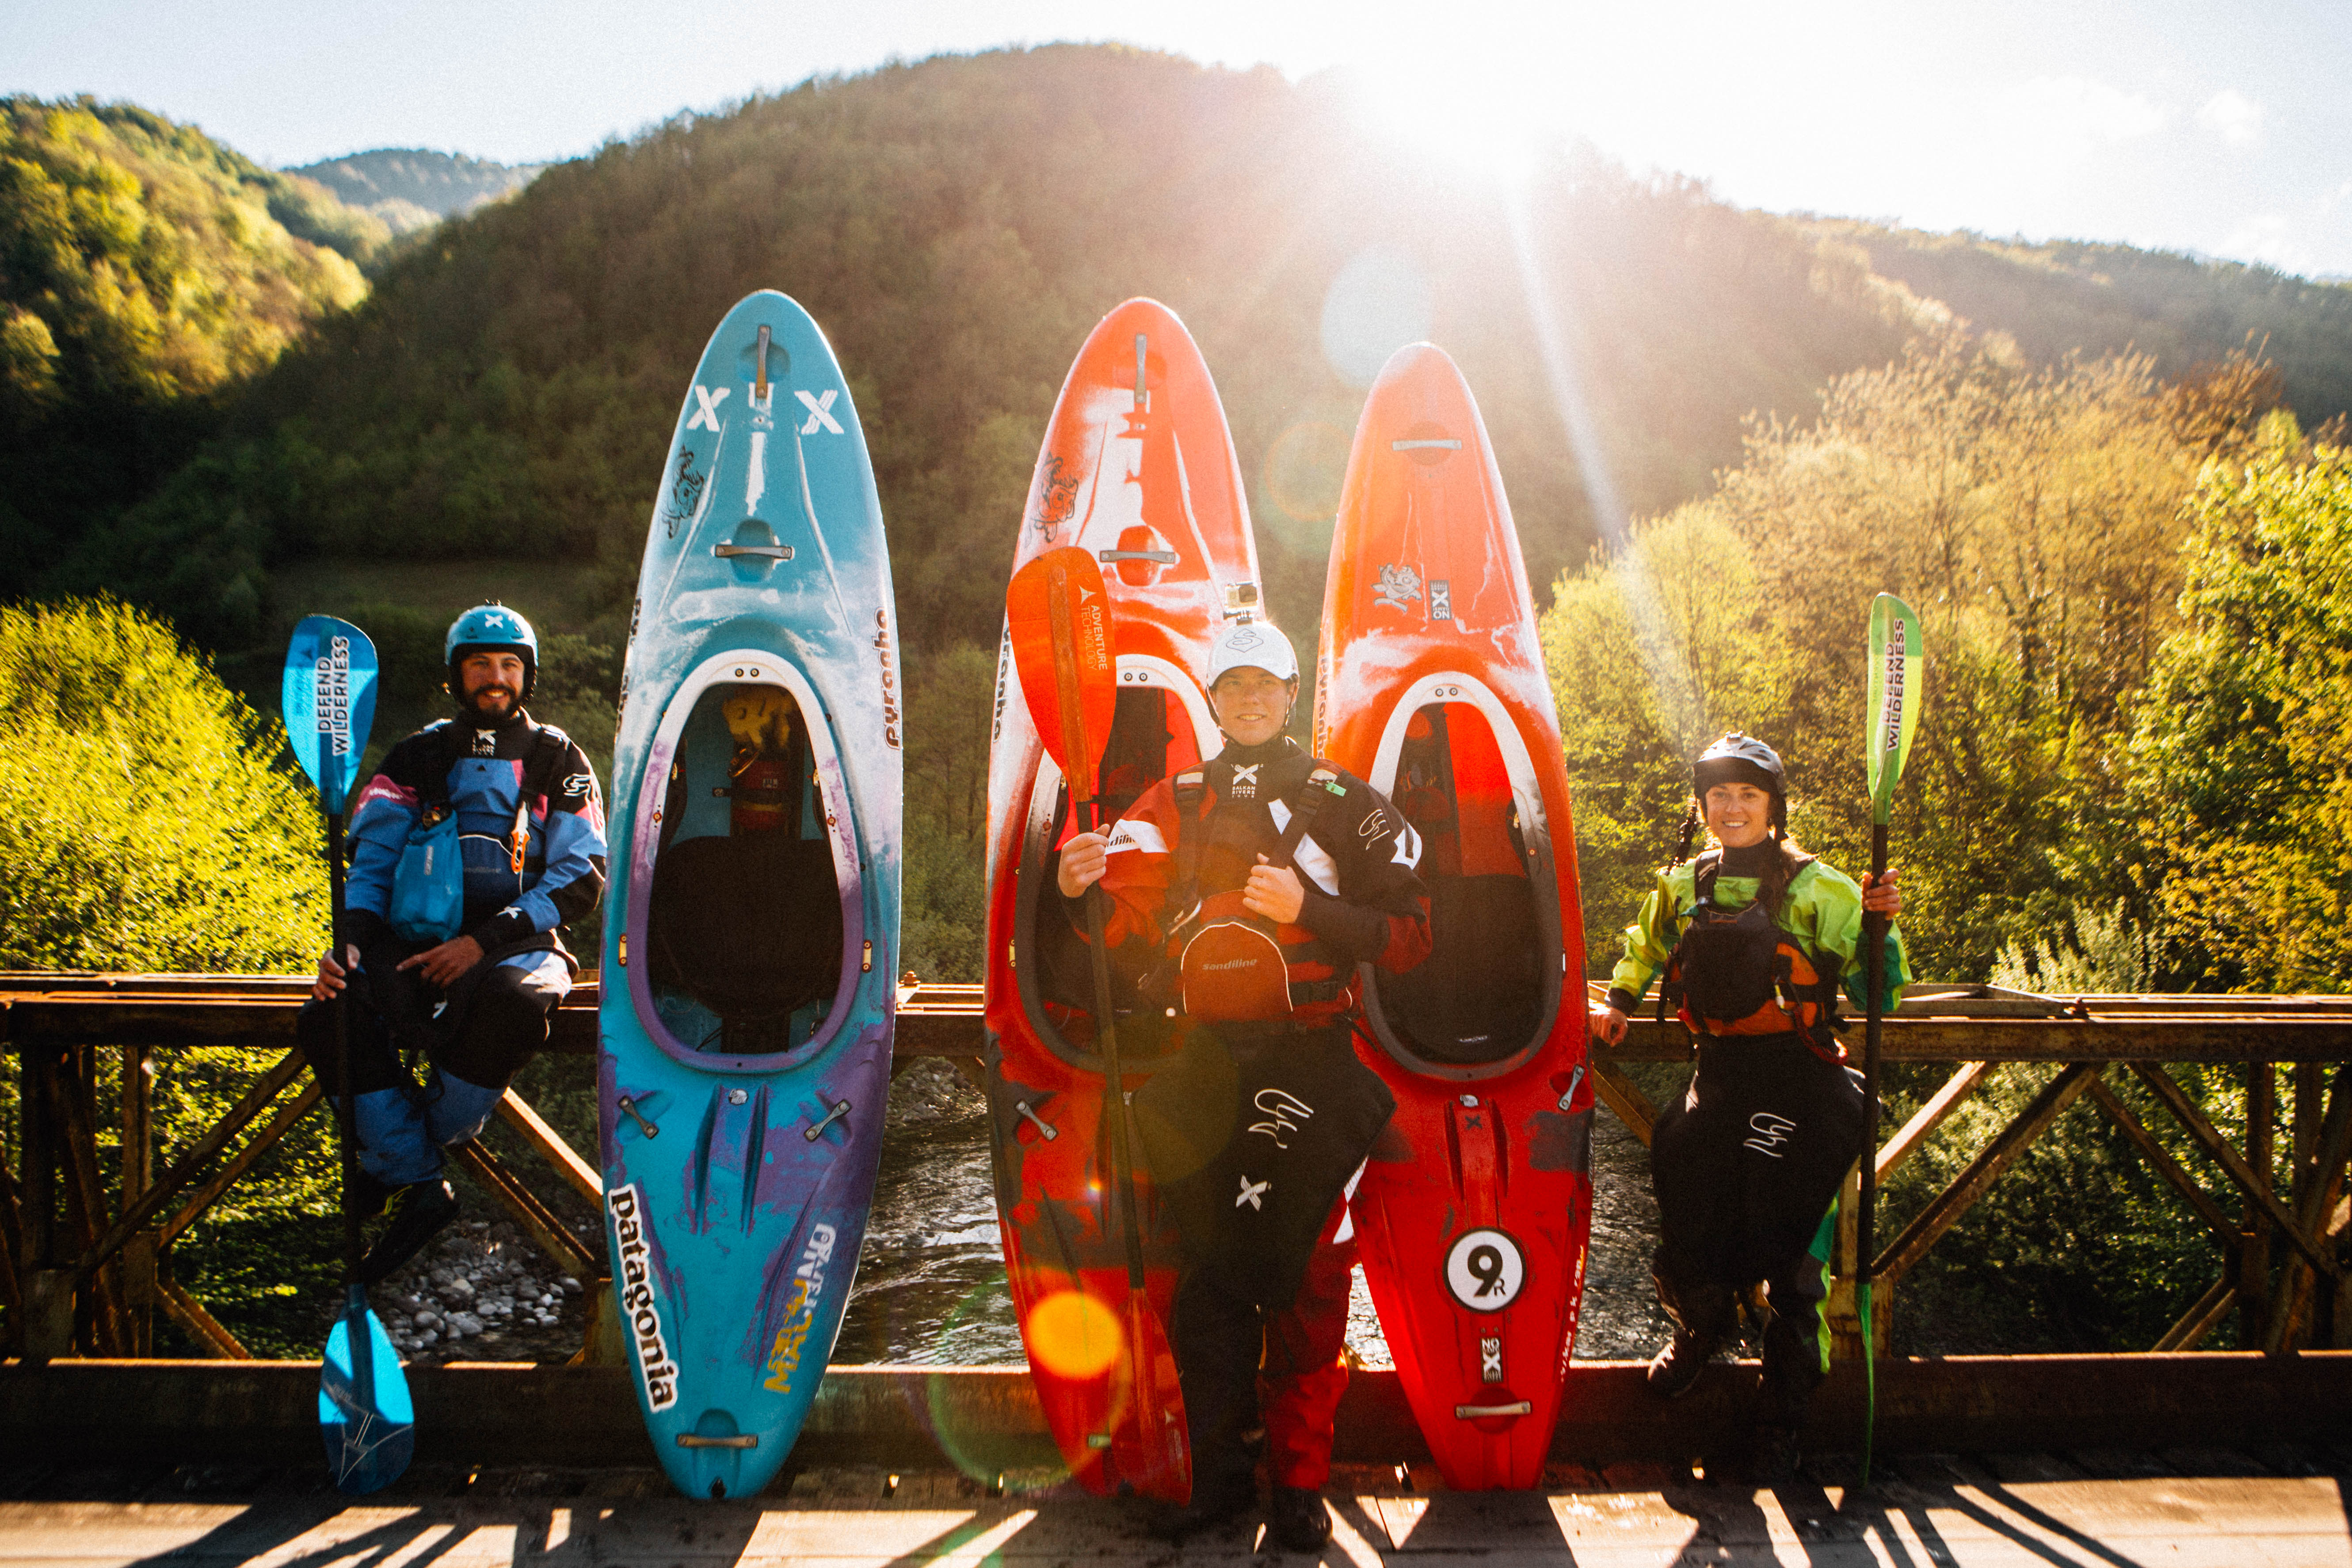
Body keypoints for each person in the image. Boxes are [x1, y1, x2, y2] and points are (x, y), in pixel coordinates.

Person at [1056, 620, 1430, 1552]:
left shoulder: (1346, 802)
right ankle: (1217, 1480)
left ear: (1291, 692)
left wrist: (1312, 909)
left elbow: (1414, 935)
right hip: (1207, 1063)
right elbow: (1121, 936)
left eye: (1266, 685)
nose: (1251, 700)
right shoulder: (1173, 798)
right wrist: (1081, 889)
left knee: (1308, 1285)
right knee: (1208, 1288)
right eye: (1233, 687)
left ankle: (1300, 1487)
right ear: (1213, 702)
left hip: (1311, 1056)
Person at [1589, 732, 1906, 1483]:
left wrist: (1879, 926)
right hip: (1722, 1074)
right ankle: (1703, 1328)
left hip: (1799, 1077)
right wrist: (1622, 1001)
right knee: (1688, 1212)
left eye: (1747, 796)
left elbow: (1874, 991)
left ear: (1773, 805)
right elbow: (1643, 946)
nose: (1731, 809)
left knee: (1794, 1259)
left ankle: (1782, 1419)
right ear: (1701, 807)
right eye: (1718, 796)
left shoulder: (1821, 888)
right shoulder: (1682, 884)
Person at [301, 603, 607, 1282]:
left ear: (526, 677)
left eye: (508, 666)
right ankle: (420, 1180)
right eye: (479, 665)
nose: (494, 678)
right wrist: (349, 945)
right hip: (411, 938)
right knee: (330, 1013)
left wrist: (482, 941)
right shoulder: (415, 756)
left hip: (517, 943)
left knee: (516, 1006)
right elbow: (374, 863)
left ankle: (391, 1164)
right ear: (455, 677)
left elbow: (583, 876)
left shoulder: (559, 759)